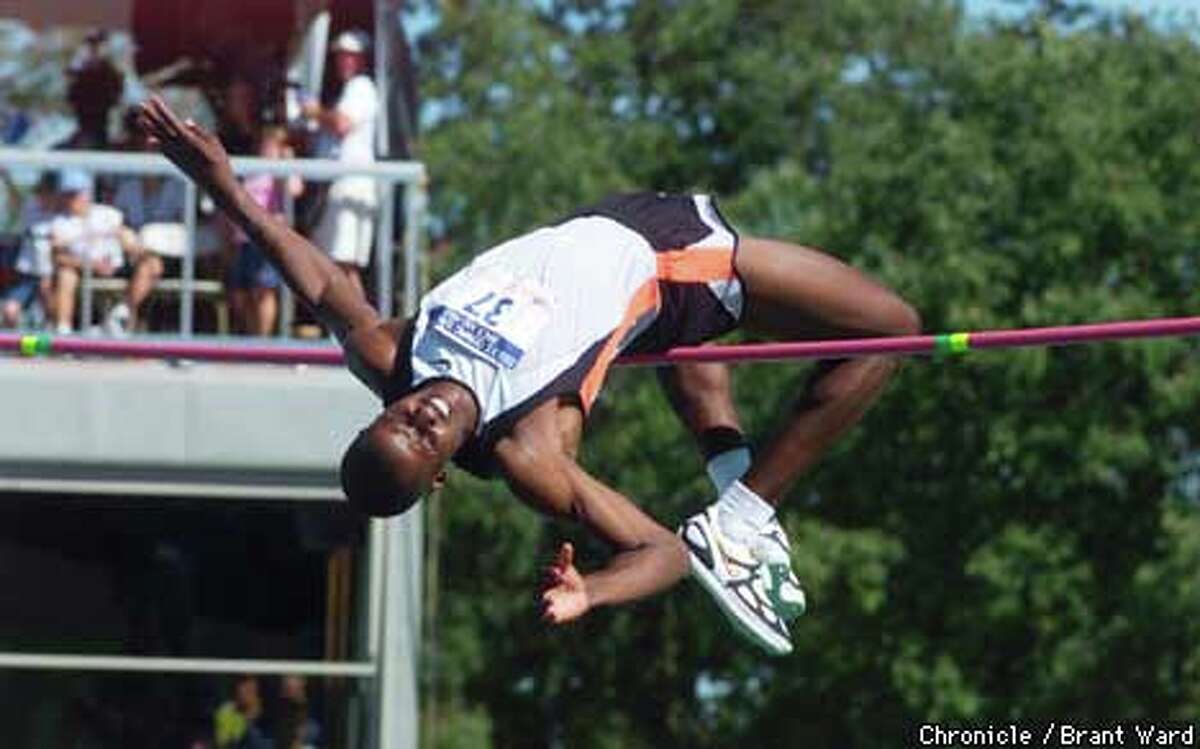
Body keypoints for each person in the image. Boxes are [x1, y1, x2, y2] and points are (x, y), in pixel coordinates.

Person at [139, 97, 920, 656]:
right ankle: (745, 515)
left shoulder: (391, 355)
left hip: (615, 221)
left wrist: (221, 183)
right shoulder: (527, 451)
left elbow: (311, 278)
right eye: (426, 434)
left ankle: (736, 487)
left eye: (398, 416)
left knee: (685, 355)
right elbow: (664, 550)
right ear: (442, 470)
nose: (424, 411)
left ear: (378, 408)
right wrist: (596, 592)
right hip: (671, 261)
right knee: (890, 329)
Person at [303, 30, 378, 299]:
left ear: (362, 60)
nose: (344, 62)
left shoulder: (362, 87)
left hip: (350, 186)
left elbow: (342, 123)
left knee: (342, 267)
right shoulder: (350, 91)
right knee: (336, 266)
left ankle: (360, 331)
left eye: (351, 56)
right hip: (339, 187)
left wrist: (313, 112)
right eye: (341, 56)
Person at [105, 109, 187, 334]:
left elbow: (184, 227)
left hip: (171, 259)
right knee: (149, 263)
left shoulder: (178, 188)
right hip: (129, 254)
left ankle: (123, 313)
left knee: (152, 263)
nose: (150, 151)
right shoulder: (127, 187)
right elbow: (116, 224)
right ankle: (123, 319)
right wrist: (131, 242)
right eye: (145, 146)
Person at [226, 125, 303, 336]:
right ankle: (252, 336)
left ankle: (263, 339)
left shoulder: (283, 171)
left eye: (272, 144)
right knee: (241, 293)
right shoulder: (251, 170)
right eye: (264, 143)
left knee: (263, 289)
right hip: (244, 239)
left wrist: (284, 165)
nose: (266, 148)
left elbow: (294, 190)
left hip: (268, 239)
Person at [48, 170, 126, 334]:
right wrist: (92, 265)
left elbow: (128, 241)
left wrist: (119, 247)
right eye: (67, 194)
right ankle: (64, 333)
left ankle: (125, 322)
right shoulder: (59, 222)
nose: (71, 199)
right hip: (84, 271)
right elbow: (58, 258)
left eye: (75, 194)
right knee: (65, 274)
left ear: (88, 193)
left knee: (148, 265)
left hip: (118, 269)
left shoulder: (109, 214)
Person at [1, 172, 59, 328]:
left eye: (48, 192)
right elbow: (15, 198)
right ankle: (10, 348)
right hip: (27, 275)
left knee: (53, 312)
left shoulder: (63, 218)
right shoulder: (30, 211)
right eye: (41, 192)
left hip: (52, 276)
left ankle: (56, 348)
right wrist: (6, 177)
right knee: (10, 311)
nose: (43, 196)